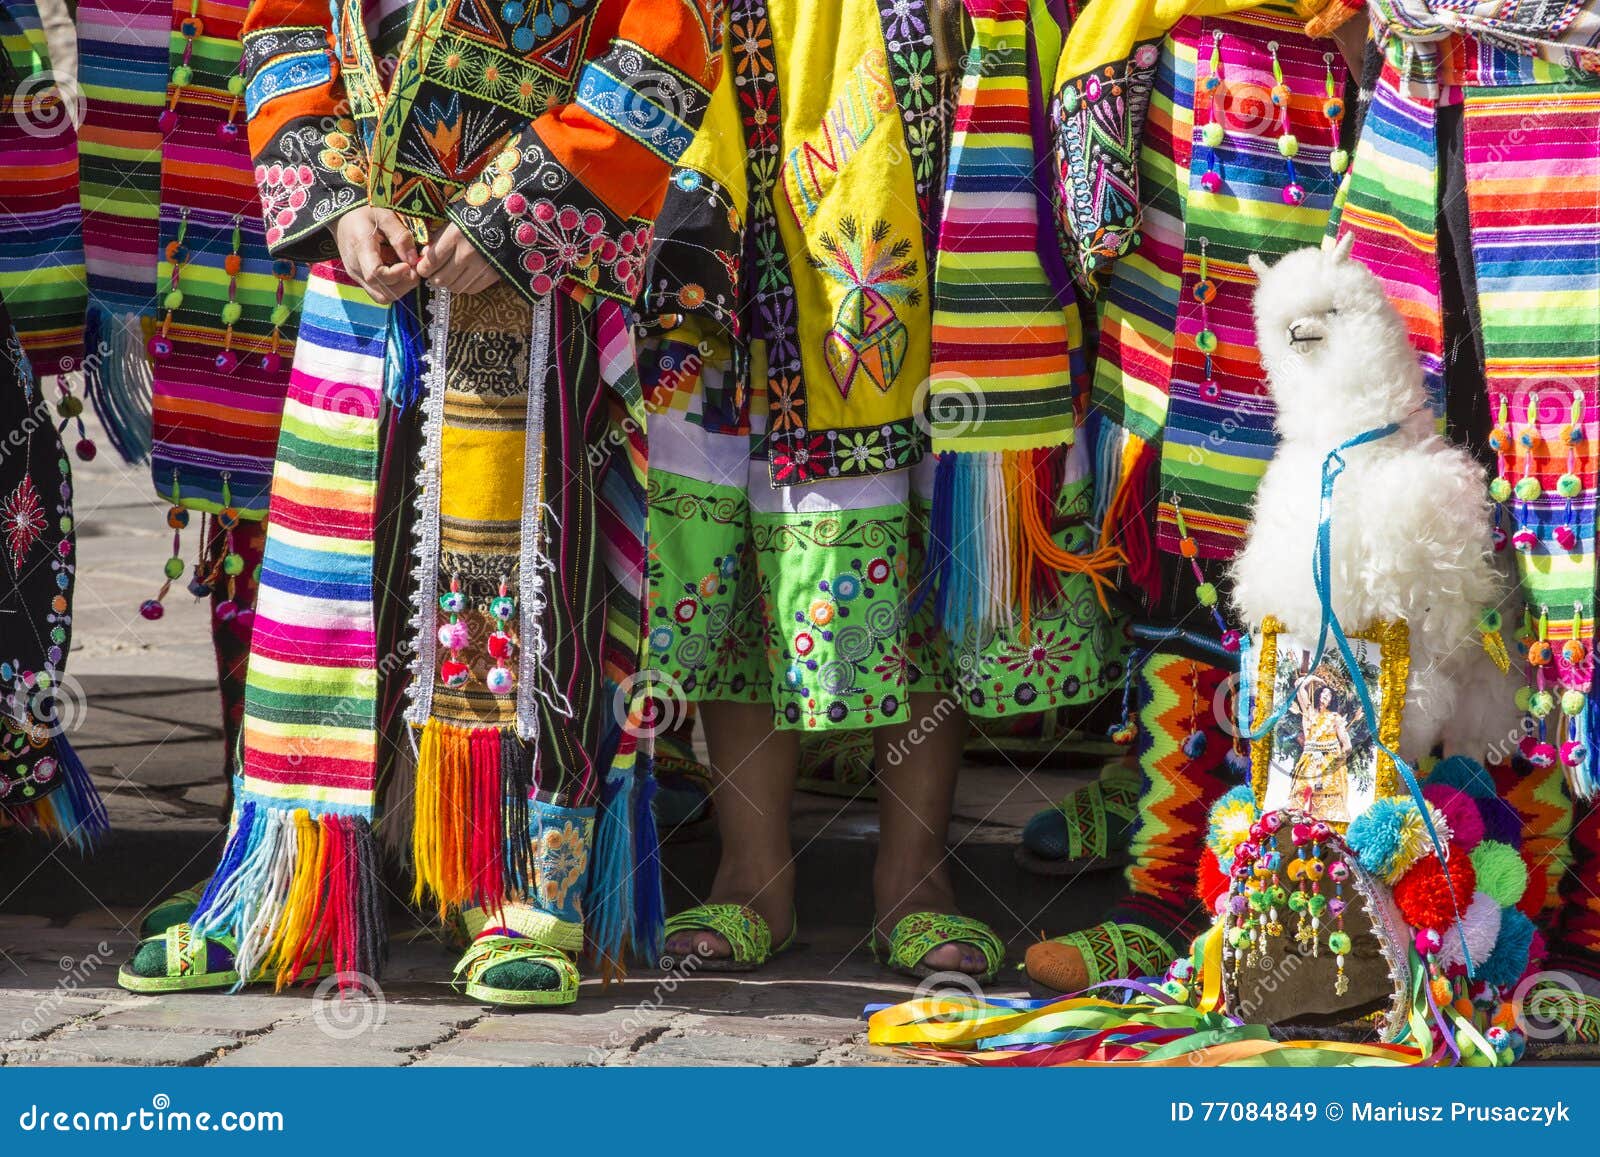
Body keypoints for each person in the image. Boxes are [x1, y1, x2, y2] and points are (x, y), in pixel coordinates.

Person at [118, 0, 727, 1006]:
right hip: (367, 268)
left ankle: (526, 886)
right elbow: (282, 27)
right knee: (335, 575)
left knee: (531, 580)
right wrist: (339, 202)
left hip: (543, 280)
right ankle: (295, 888)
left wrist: (516, 214)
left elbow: (667, 46)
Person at [643, 0, 1125, 979]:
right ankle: (751, 875)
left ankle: (914, 875)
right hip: (740, 97)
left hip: (934, 120)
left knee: (922, 522)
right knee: (740, 525)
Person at [1020, 0, 1362, 995]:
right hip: (1187, 92)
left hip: (1355, 92)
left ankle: (1309, 888)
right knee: (1182, 512)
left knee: (1341, 517)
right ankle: (1164, 880)